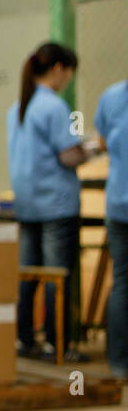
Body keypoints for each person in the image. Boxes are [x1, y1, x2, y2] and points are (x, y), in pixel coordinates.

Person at [7, 42, 92, 362]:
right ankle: (58, 345)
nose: (67, 80)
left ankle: (24, 339)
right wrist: (91, 149)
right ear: (58, 69)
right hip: (56, 204)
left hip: (27, 203)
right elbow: (68, 155)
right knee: (58, 274)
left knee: (28, 273)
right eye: (68, 73)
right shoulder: (54, 107)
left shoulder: (17, 106)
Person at [94, 78, 127, 377]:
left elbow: (102, 142)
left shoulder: (112, 96)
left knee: (122, 283)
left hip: (118, 204)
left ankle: (119, 365)